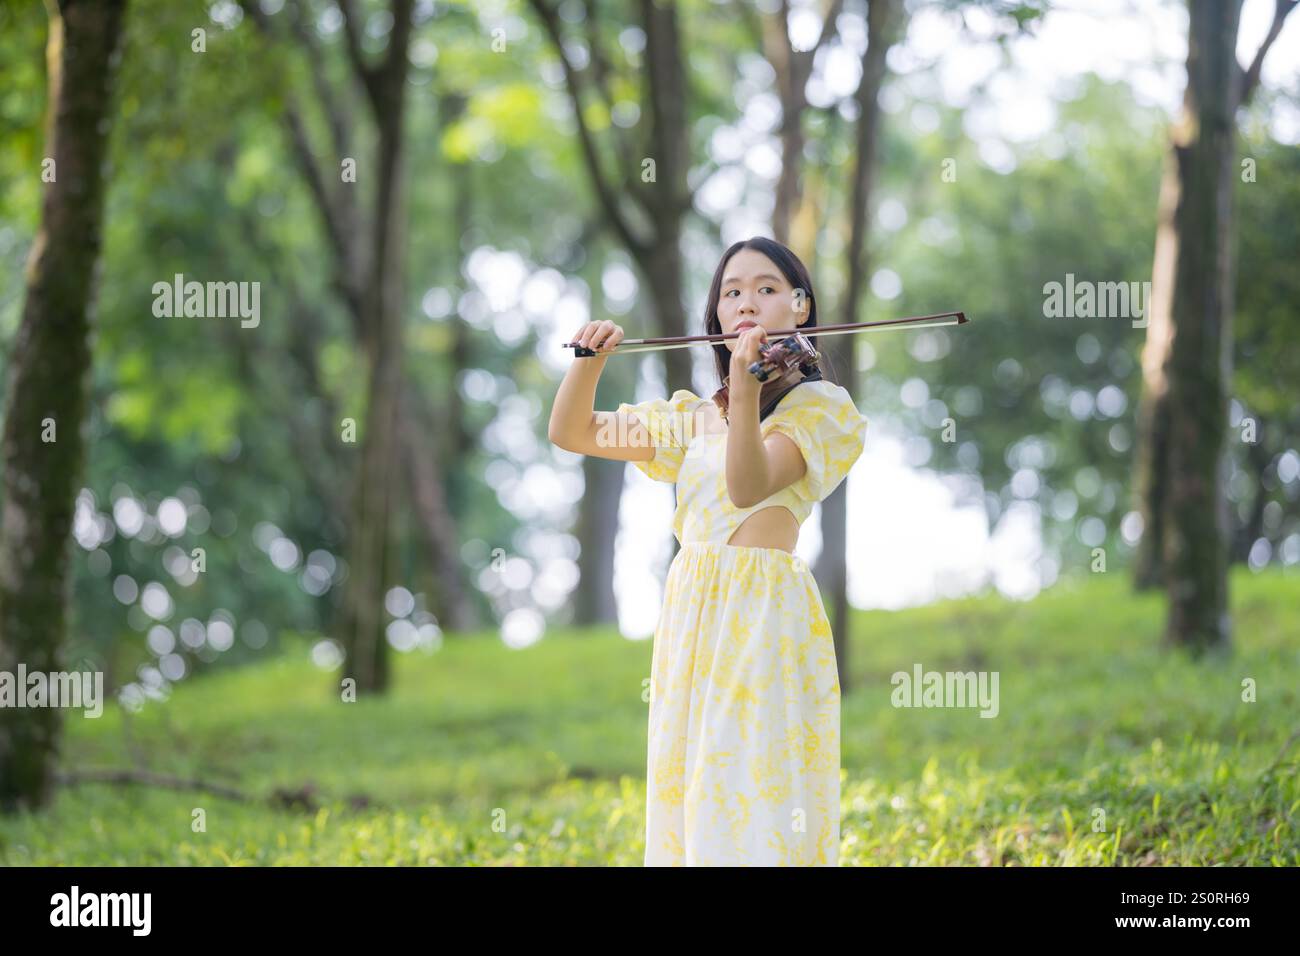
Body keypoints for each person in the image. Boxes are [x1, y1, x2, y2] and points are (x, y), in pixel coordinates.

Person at [548, 237, 868, 866]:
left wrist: (745, 395)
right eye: (732, 292)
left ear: (800, 307)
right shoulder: (693, 418)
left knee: (747, 780)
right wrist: (588, 362)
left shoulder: (822, 408)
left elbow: (748, 484)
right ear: (717, 315)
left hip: (762, 613)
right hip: (692, 615)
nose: (746, 302)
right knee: (691, 787)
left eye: (767, 289)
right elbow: (572, 431)